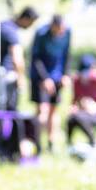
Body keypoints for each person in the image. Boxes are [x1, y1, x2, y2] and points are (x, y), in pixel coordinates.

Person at [30, 14, 72, 150]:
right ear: (52, 26)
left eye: (62, 29)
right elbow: (35, 58)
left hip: (58, 76)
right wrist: (44, 78)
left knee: (53, 111)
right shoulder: (41, 34)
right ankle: (36, 142)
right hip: (41, 77)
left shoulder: (68, 32)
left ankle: (51, 142)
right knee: (42, 110)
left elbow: (67, 54)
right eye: (58, 29)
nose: (61, 32)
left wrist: (66, 75)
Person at [0, 6, 39, 111]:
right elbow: (17, 58)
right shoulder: (11, 32)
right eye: (31, 22)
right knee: (9, 111)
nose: (31, 26)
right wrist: (20, 78)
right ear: (26, 19)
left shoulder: (2, 25)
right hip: (7, 75)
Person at [67, 54, 96, 155]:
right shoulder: (77, 80)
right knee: (72, 118)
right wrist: (73, 107)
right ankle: (69, 145)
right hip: (83, 112)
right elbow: (75, 99)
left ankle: (93, 142)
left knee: (79, 117)